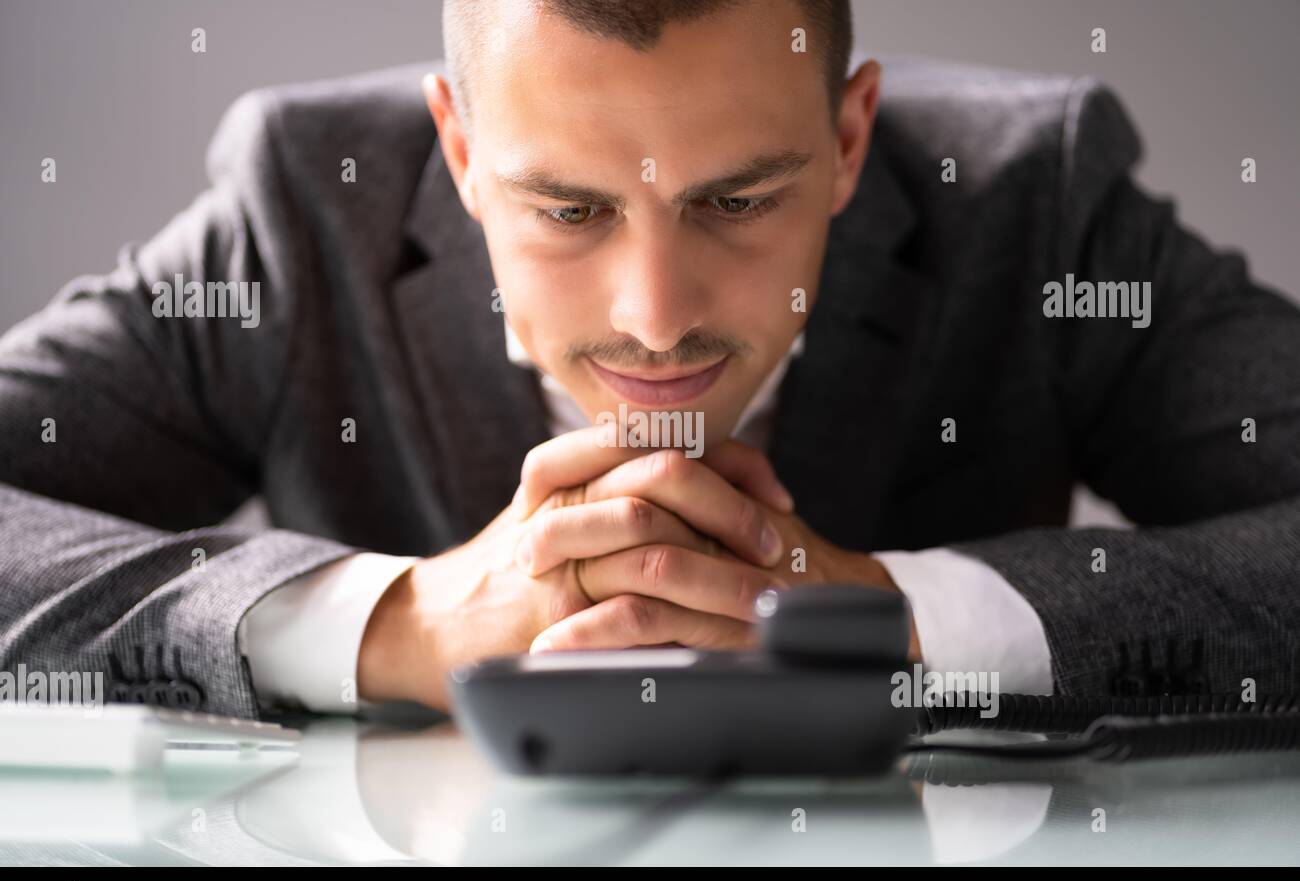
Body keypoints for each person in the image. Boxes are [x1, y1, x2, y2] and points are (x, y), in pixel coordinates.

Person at [2, 0, 1297, 719]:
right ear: (457, 152)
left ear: (851, 139)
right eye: (569, 210)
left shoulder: (1035, 199)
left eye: (737, 202)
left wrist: (906, 621)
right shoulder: (300, 208)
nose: (660, 317)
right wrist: (392, 625)